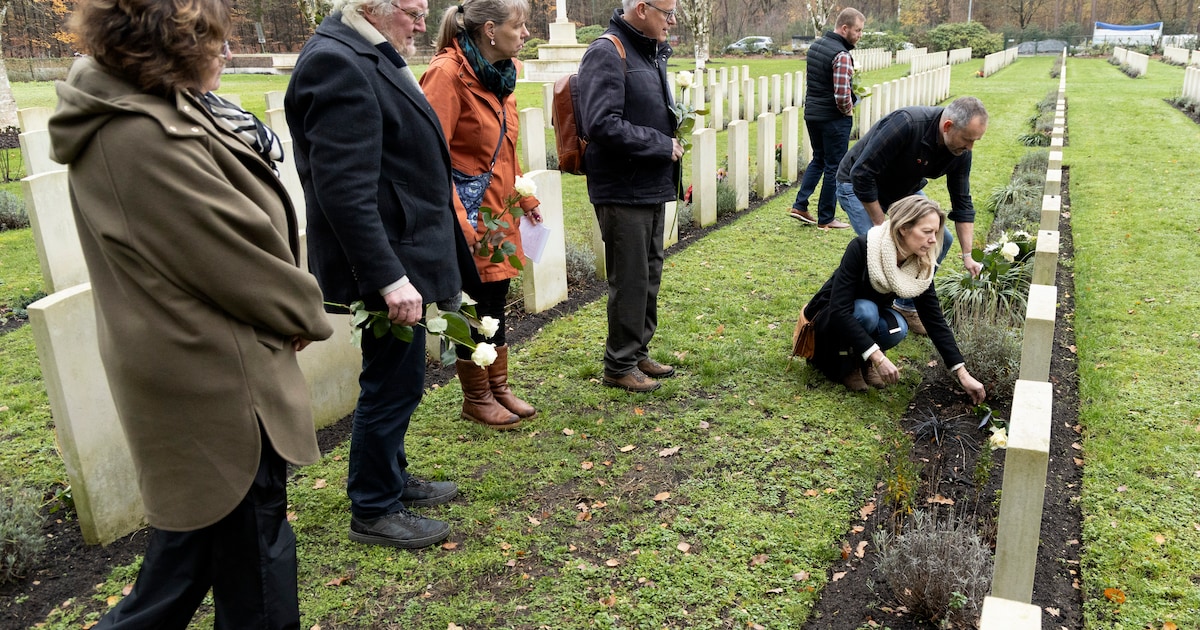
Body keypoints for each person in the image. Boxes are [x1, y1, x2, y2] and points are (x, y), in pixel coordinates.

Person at [48, 0, 334, 625]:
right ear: (170, 46)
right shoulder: (139, 132)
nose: (226, 55)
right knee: (250, 565)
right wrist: (303, 312)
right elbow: (229, 254)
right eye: (215, 42)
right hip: (214, 375)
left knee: (189, 565)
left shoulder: (155, 110)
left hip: (208, 359)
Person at [286, 0, 481, 548]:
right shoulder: (336, 62)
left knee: (400, 377)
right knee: (391, 384)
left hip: (404, 248)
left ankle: (391, 476)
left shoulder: (366, 50)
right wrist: (389, 278)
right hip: (387, 260)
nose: (423, 24)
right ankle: (373, 507)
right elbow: (343, 189)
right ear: (371, 6)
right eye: (413, 12)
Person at [420, 0, 543, 430]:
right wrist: (459, 219)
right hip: (467, 217)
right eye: (519, 26)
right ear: (490, 29)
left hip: (498, 213)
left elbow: (502, 150)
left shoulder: (500, 76)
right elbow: (429, 157)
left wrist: (525, 198)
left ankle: (497, 386)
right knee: (474, 307)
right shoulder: (447, 75)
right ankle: (477, 397)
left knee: (494, 301)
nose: (525, 34)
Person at [577, 0, 683, 393]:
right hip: (623, 188)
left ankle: (637, 352)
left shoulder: (648, 51)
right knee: (631, 279)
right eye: (667, 13)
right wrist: (661, 144)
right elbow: (601, 124)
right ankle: (619, 364)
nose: (672, 21)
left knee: (648, 275)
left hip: (649, 183)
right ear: (641, 9)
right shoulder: (607, 51)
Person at [802, 196, 986, 402]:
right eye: (927, 232)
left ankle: (863, 360)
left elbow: (934, 319)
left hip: (863, 316)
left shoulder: (920, 265)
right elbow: (839, 310)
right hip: (829, 320)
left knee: (898, 327)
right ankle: (845, 363)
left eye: (935, 233)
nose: (934, 240)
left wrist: (962, 373)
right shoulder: (863, 247)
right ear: (903, 228)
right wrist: (879, 357)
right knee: (867, 312)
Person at [835, 96, 988, 335]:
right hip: (856, 184)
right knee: (879, 247)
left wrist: (968, 255)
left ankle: (905, 305)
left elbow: (962, 202)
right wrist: (883, 226)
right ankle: (860, 312)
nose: (970, 148)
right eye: (968, 139)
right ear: (948, 126)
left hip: (902, 189)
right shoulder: (907, 123)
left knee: (943, 239)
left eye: (975, 141)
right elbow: (862, 173)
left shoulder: (960, 152)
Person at [789, 7, 863, 230]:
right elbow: (841, 95)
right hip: (833, 118)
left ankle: (800, 205)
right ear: (844, 28)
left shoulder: (816, 46)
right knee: (834, 166)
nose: (860, 35)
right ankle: (826, 217)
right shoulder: (841, 55)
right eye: (858, 30)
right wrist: (848, 110)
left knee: (819, 159)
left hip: (813, 114)